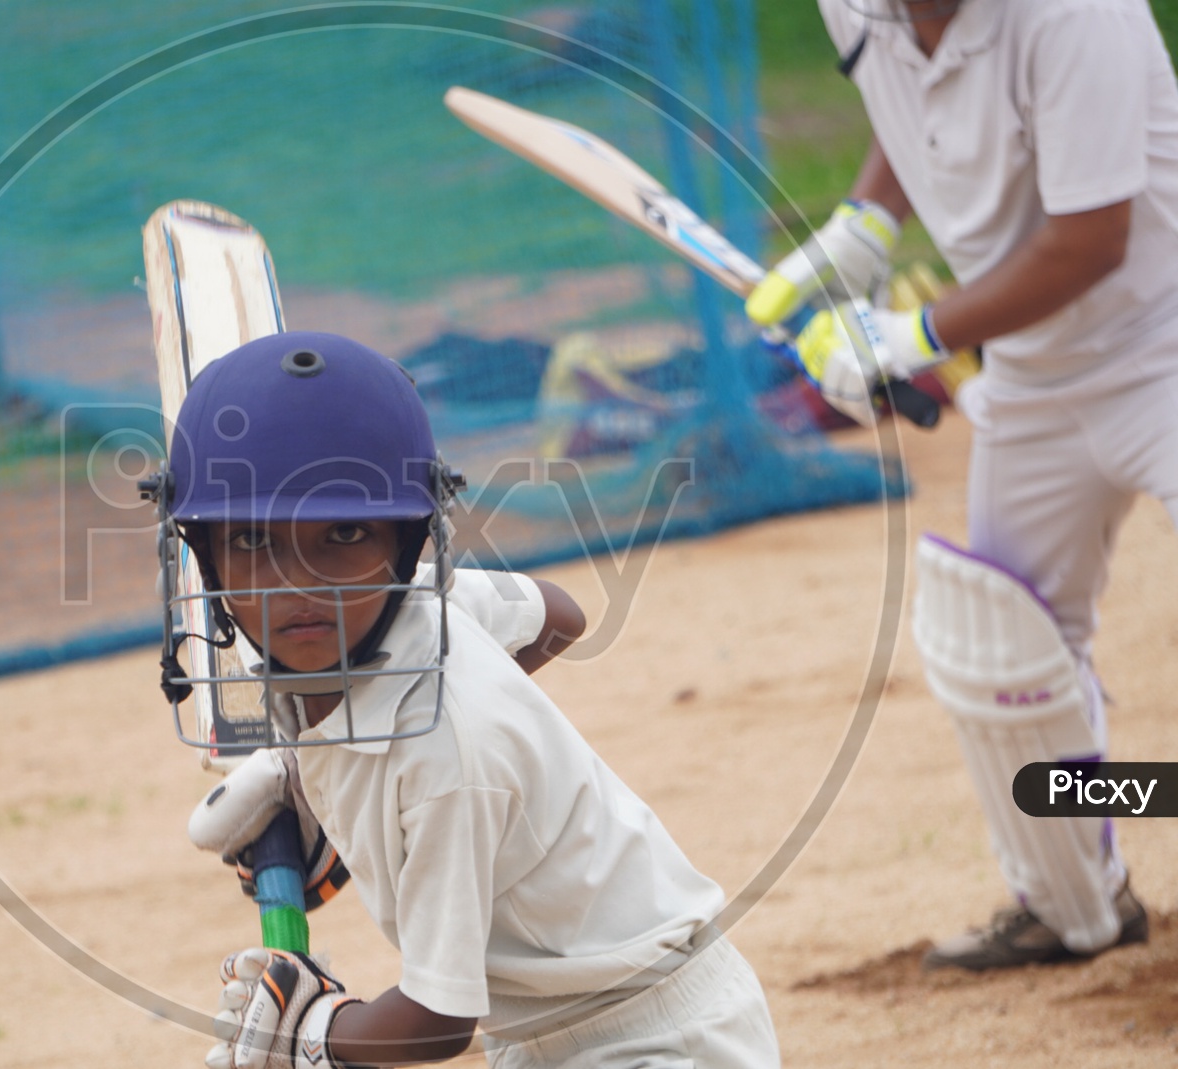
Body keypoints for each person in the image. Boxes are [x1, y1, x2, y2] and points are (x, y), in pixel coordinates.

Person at [151, 331, 780, 1068]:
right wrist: (321, 781)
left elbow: (439, 1020)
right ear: (207, 559)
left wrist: (312, 1031)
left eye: (343, 533)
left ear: (410, 539)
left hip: (659, 1039)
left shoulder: (447, 758)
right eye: (255, 540)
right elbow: (559, 615)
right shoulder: (425, 602)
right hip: (544, 1034)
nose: (298, 580)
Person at [747, 0, 1178, 971]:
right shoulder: (860, 6)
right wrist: (866, 218)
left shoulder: (1074, 18)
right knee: (1003, 653)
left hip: (1164, 344)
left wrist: (910, 336)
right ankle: (1075, 905)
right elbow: (919, 105)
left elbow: (1090, 238)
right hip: (1032, 376)